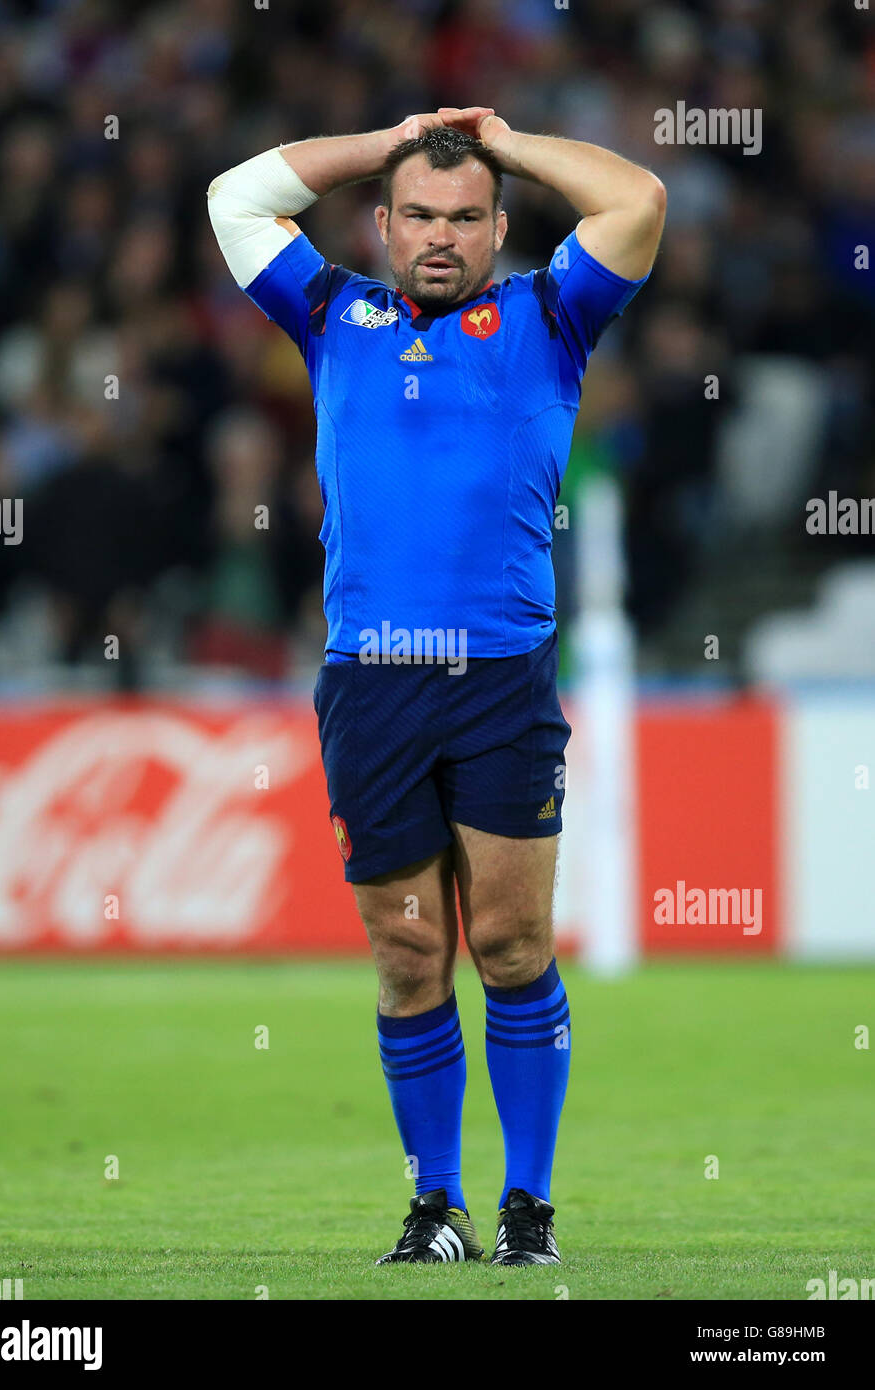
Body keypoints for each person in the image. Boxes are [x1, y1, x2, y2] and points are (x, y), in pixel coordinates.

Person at [207, 106, 665, 1266]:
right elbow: (235, 198)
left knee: (510, 943)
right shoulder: (330, 315)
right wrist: (389, 137)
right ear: (382, 223)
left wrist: (502, 141)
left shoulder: (548, 316)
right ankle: (434, 1205)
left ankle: (528, 1208)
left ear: (500, 225)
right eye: (418, 215)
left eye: (466, 217)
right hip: (373, 682)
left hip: (501, 679)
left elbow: (637, 203)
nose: (441, 237)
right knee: (411, 954)